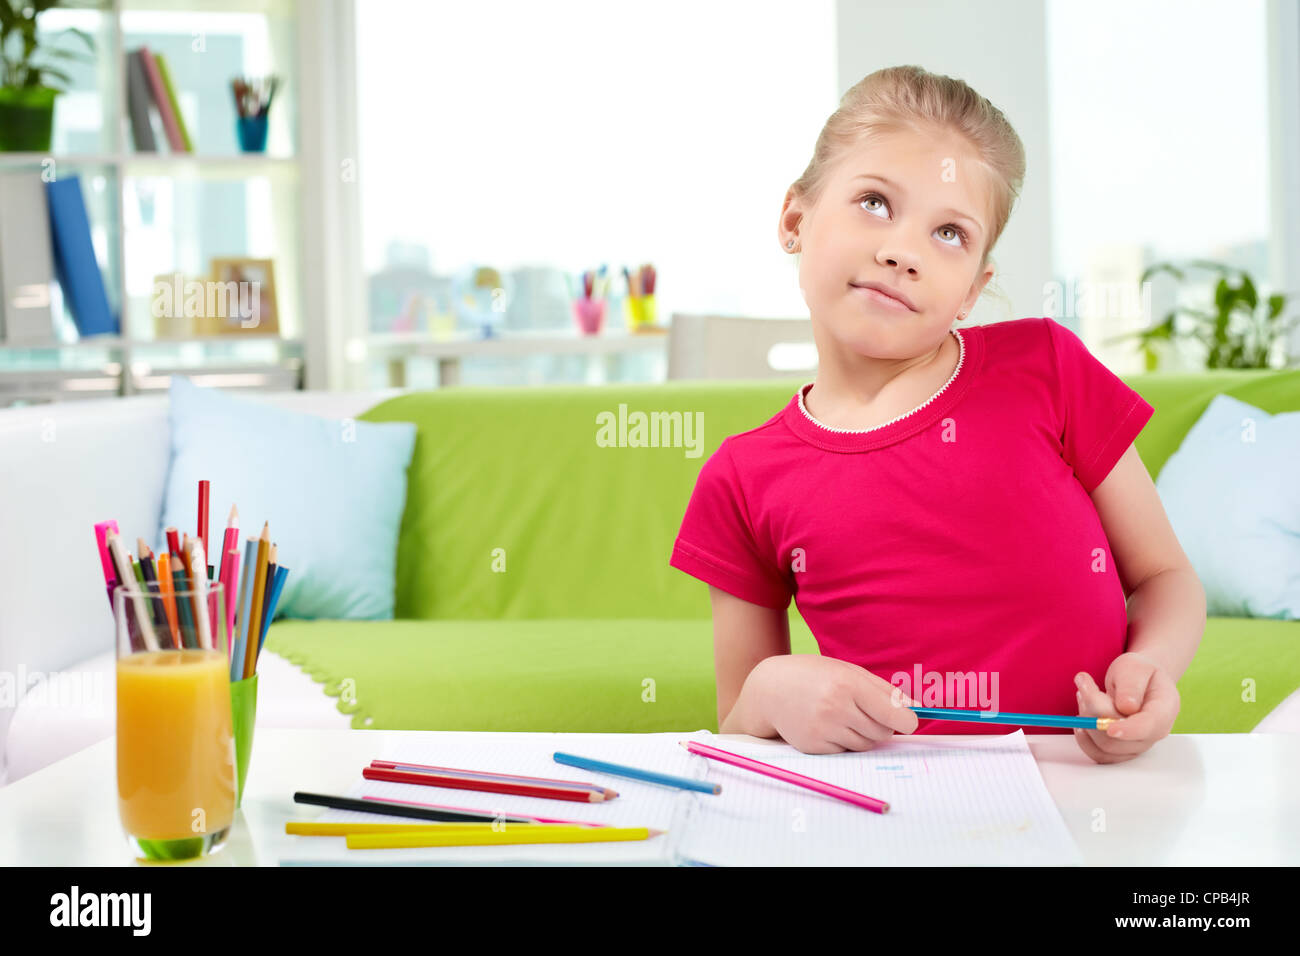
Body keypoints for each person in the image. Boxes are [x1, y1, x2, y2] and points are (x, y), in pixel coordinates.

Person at [669, 65, 1205, 764]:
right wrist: (773, 686)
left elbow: (1166, 578)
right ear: (794, 220)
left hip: (1089, 789)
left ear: (973, 290)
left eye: (949, 233)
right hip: (894, 806)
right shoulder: (741, 477)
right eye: (874, 202)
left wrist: (1150, 670)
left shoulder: (1046, 367)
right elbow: (739, 723)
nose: (903, 252)